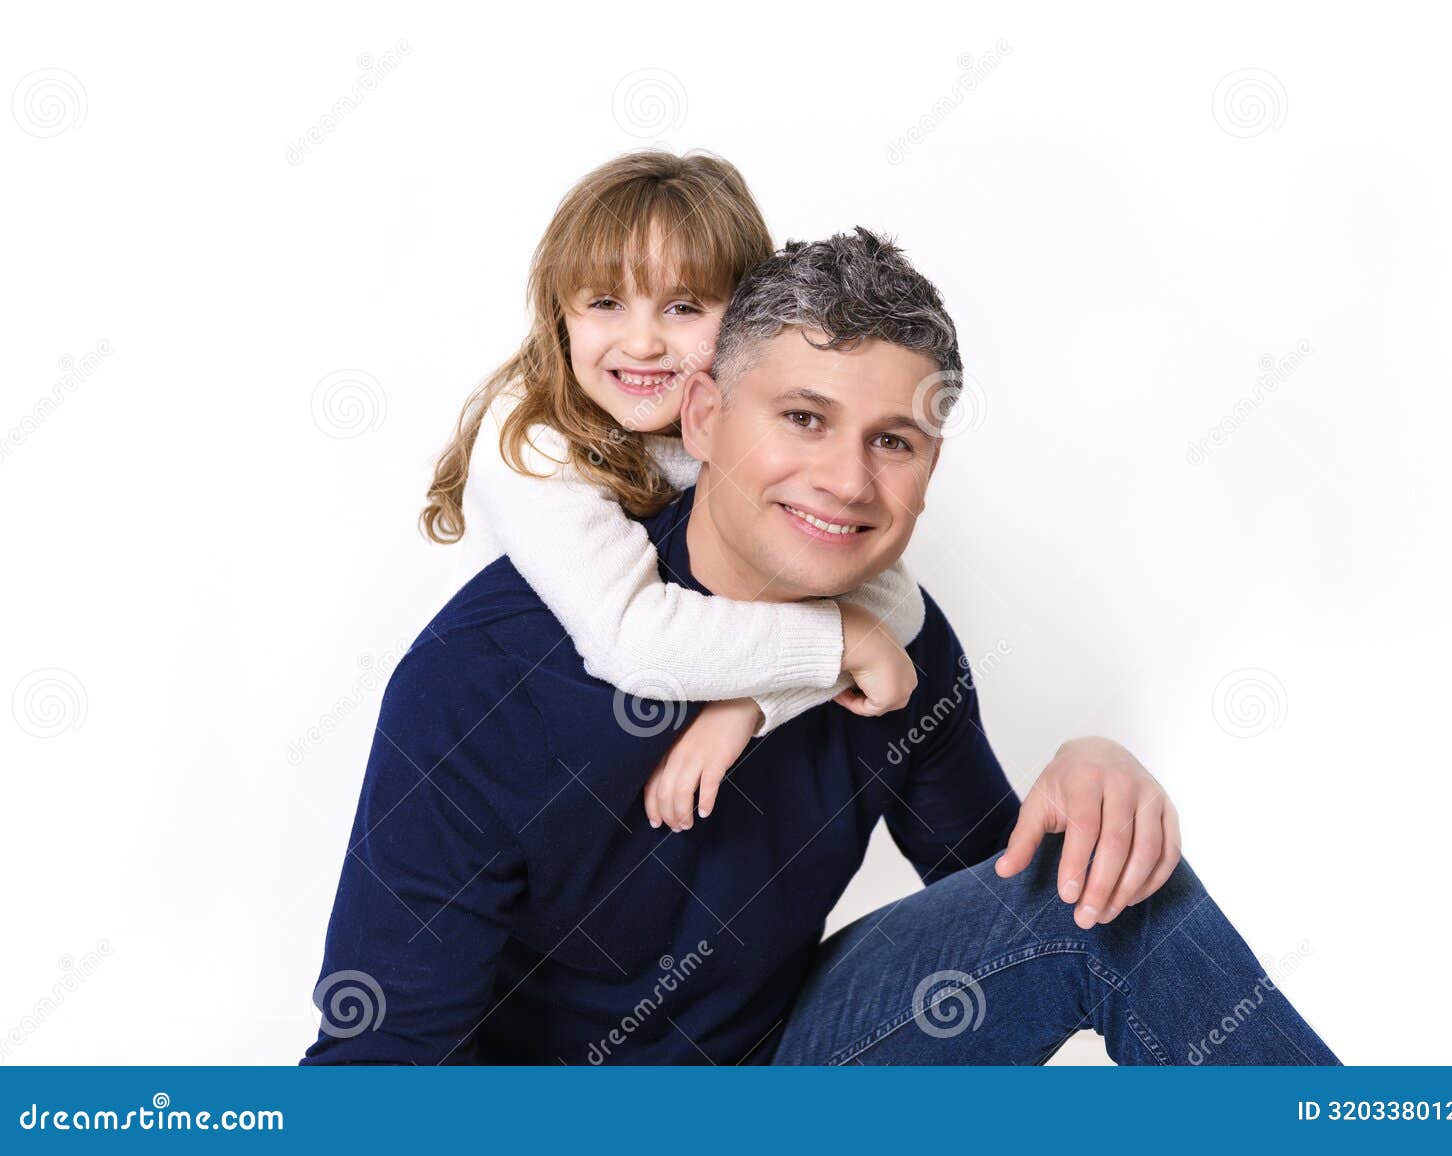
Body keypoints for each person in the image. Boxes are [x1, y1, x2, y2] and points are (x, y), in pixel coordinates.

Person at [302, 228, 1340, 1066]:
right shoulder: (488, 672)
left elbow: (1009, 903)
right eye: (802, 416)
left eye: (891, 441)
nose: (847, 482)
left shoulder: (897, 642)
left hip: (782, 1075)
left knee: (1102, 885)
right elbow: (381, 1057)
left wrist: (1092, 774)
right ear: (701, 415)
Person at [419, 151, 922, 831]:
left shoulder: (734, 419)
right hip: (520, 749)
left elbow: (893, 595)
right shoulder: (530, 439)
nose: (643, 342)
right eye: (604, 303)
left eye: (684, 307)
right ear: (559, 316)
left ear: (747, 318)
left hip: (672, 735)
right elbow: (633, 640)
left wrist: (752, 707)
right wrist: (840, 646)